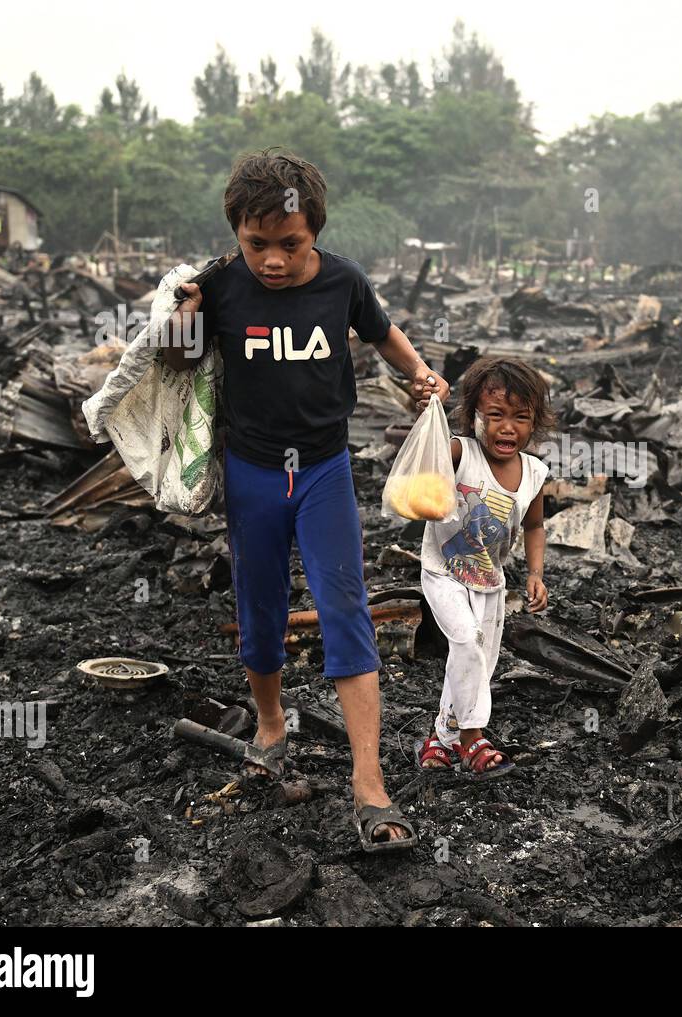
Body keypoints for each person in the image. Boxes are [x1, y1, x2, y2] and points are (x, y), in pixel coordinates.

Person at [164, 148, 449, 852]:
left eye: (289, 245)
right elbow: (174, 361)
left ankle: (368, 780)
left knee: (345, 608)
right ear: (237, 233)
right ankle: (269, 726)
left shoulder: (343, 283)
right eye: (256, 243)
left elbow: (385, 337)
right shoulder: (222, 286)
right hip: (253, 473)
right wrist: (185, 316)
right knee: (258, 613)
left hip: (322, 472)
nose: (273, 261)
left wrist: (421, 376)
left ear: (313, 230)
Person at [414, 357, 553, 779]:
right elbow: (432, 441)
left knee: (476, 659)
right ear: (474, 416)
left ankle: (441, 737)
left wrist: (534, 573)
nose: (507, 428)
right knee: (467, 641)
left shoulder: (534, 473)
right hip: (443, 569)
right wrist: (427, 409)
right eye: (495, 416)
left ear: (535, 423)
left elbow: (535, 525)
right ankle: (473, 737)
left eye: (520, 418)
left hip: (490, 581)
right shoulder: (461, 453)